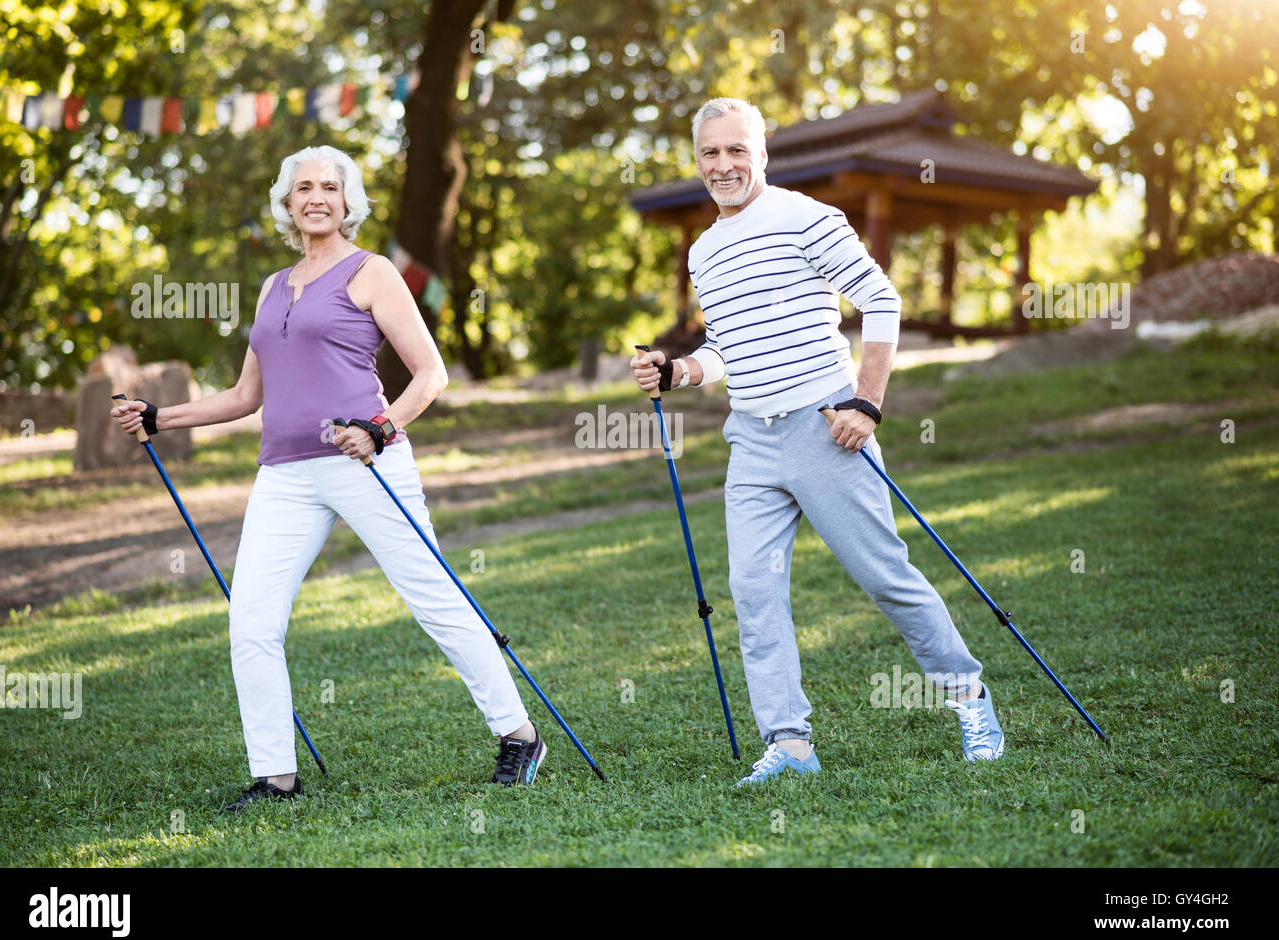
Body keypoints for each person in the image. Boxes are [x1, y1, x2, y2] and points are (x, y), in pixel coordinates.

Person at [112, 145, 545, 811]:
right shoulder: (272, 287)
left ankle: (520, 734)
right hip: (284, 474)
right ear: (287, 202)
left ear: (347, 202)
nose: (316, 197)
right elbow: (243, 396)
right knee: (251, 621)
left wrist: (380, 427)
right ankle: (275, 778)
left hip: (366, 461)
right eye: (304, 187)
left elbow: (431, 374)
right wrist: (159, 416)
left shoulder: (371, 272)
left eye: (330, 188)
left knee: (433, 597)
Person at [630, 98, 1005, 786]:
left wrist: (867, 401)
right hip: (751, 439)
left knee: (886, 578)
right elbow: (729, 350)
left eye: (737, 149)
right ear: (697, 161)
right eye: (710, 153)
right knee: (753, 590)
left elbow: (882, 300)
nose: (724, 164)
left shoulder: (806, 217)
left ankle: (971, 701)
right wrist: (678, 370)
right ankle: (792, 743)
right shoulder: (705, 250)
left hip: (824, 425)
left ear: (761, 154)